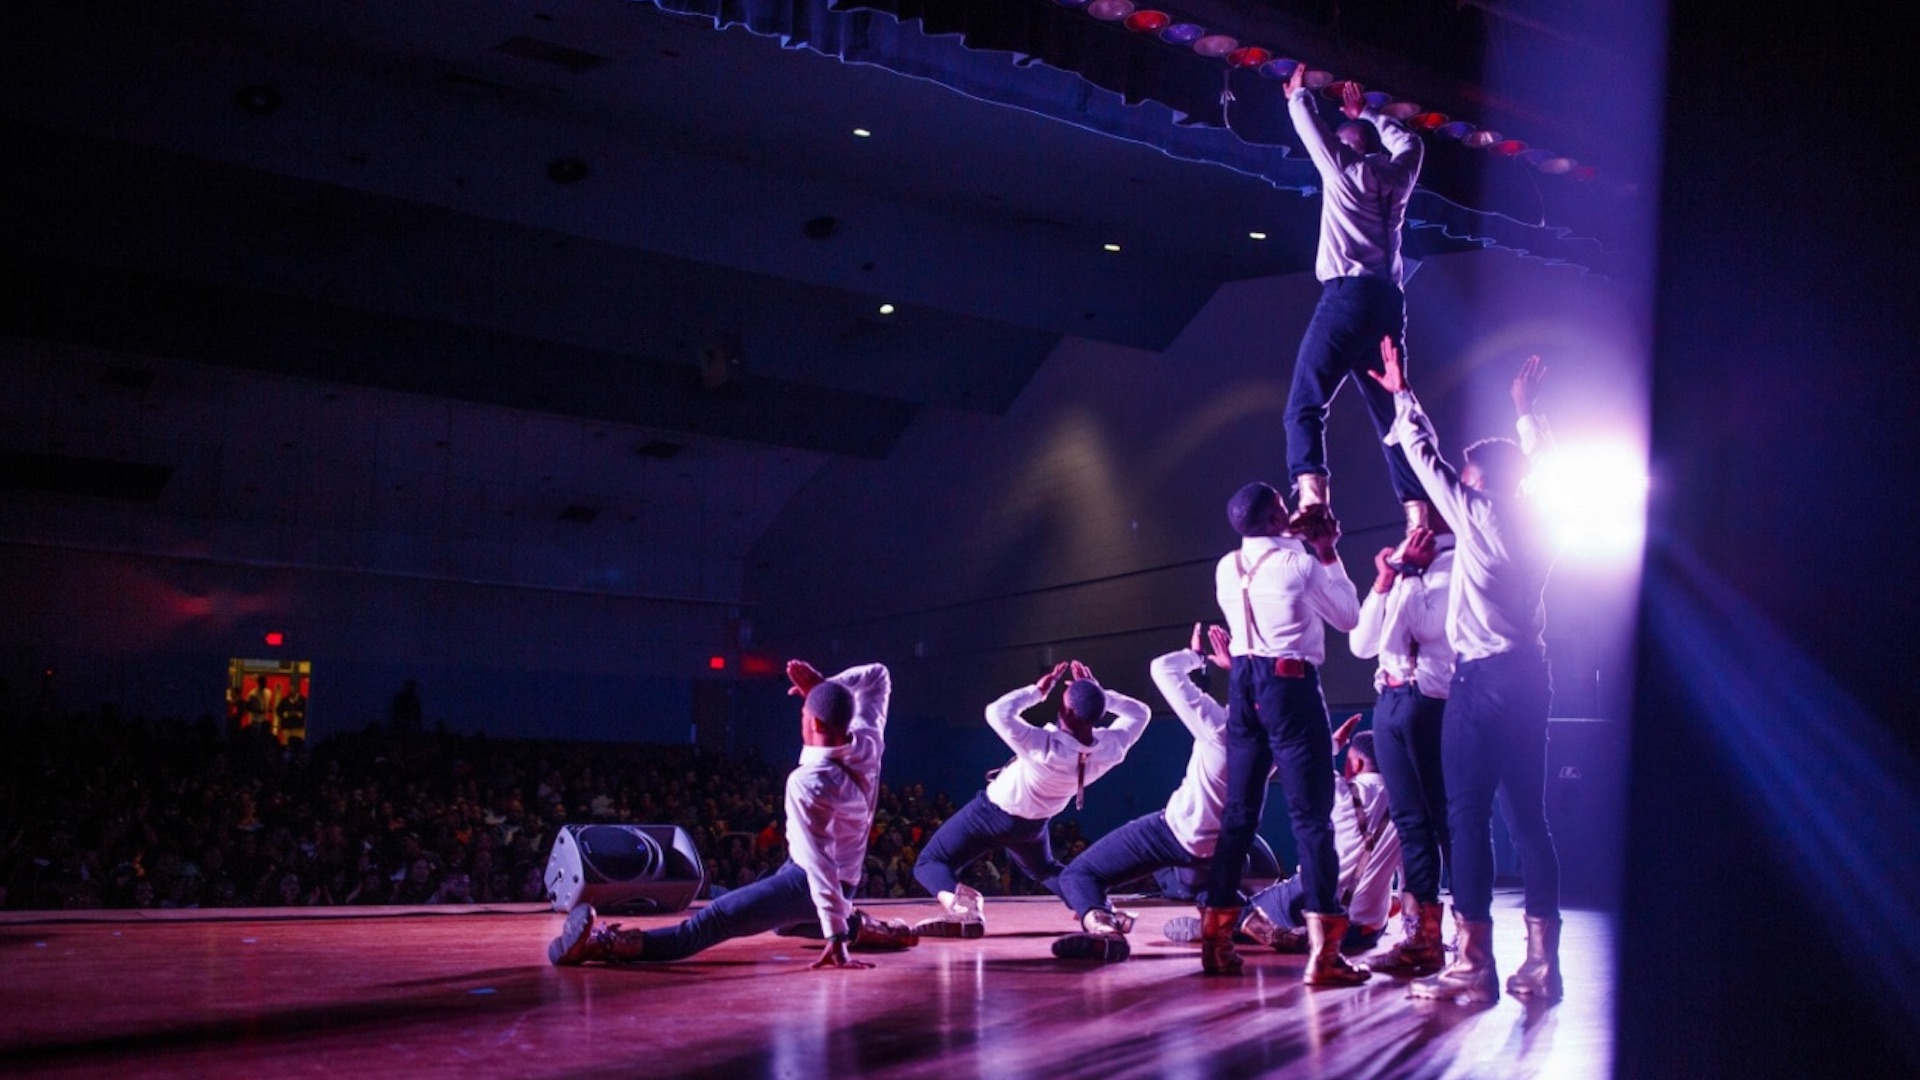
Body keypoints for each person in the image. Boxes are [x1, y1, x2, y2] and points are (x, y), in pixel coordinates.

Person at [1372, 342, 1564, 1002]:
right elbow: (1546, 469)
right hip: (1533, 677)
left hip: (1481, 682)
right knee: (1531, 822)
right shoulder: (1542, 514)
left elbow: (1423, 458)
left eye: (1469, 471)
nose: (1462, 474)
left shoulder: (1476, 514)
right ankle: (1544, 964)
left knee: (1467, 817)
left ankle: (1473, 965)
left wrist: (1402, 390)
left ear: (1478, 483)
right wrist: (1526, 414)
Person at [548, 660, 914, 970]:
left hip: (811, 883)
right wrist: (824, 691)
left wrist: (835, 936)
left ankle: (604, 945)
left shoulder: (808, 783)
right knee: (783, 925)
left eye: (805, 712)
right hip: (837, 878)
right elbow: (879, 675)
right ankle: (861, 926)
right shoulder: (868, 742)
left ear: (814, 724)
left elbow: (818, 867)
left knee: (713, 921)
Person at [1199, 480, 1366, 985]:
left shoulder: (1227, 566)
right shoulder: (1300, 564)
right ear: (1275, 520)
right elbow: (1349, 616)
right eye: (1282, 508)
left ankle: (1217, 941)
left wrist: (1296, 539)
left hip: (1243, 684)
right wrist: (1327, 550)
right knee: (1311, 818)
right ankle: (1326, 954)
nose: (1290, 510)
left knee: (1239, 815)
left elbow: (1271, 554)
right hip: (1289, 687)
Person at [1279, 65, 1430, 553]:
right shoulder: (1399, 174)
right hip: (1389, 304)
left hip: (1347, 298)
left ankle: (1312, 498)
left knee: (1306, 400)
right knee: (1393, 412)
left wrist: (1296, 94)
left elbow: (1313, 134)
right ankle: (1418, 514)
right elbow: (1413, 146)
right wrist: (1368, 112)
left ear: (1346, 146)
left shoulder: (1343, 168)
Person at [912, 661, 1151, 940]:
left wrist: (1037, 692)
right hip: (1033, 826)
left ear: (1066, 711)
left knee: (930, 862)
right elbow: (1140, 712)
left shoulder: (1043, 746)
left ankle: (965, 907)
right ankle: (1098, 910)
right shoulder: (1112, 747)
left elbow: (997, 712)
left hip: (991, 815)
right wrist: (1098, 694)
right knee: (1046, 870)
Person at [1050, 624, 1236, 963]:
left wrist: (1196, 657)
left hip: (1174, 831)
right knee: (1208, 888)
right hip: (1219, 846)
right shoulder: (1276, 743)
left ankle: (1104, 928)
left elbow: (1163, 670)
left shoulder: (1219, 729)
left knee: (1077, 875)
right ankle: (1257, 923)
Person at [1167, 717, 1399, 956]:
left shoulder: (1339, 790)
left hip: (1320, 913)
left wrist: (1331, 746)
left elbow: (1296, 761)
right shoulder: (1405, 807)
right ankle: (1297, 933)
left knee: (1238, 905)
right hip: (1368, 933)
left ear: (1357, 763)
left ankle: (1219, 927)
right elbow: (1410, 874)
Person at [1349, 521, 1457, 975]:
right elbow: (1361, 644)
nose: (1412, 525)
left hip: (1429, 701)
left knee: (1448, 823)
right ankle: (1420, 939)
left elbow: (1431, 627)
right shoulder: (1403, 569)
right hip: (1389, 703)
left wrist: (1412, 574)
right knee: (1410, 823)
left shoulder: (1453, 563)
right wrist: (1384, 583)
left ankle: (1469, 935)